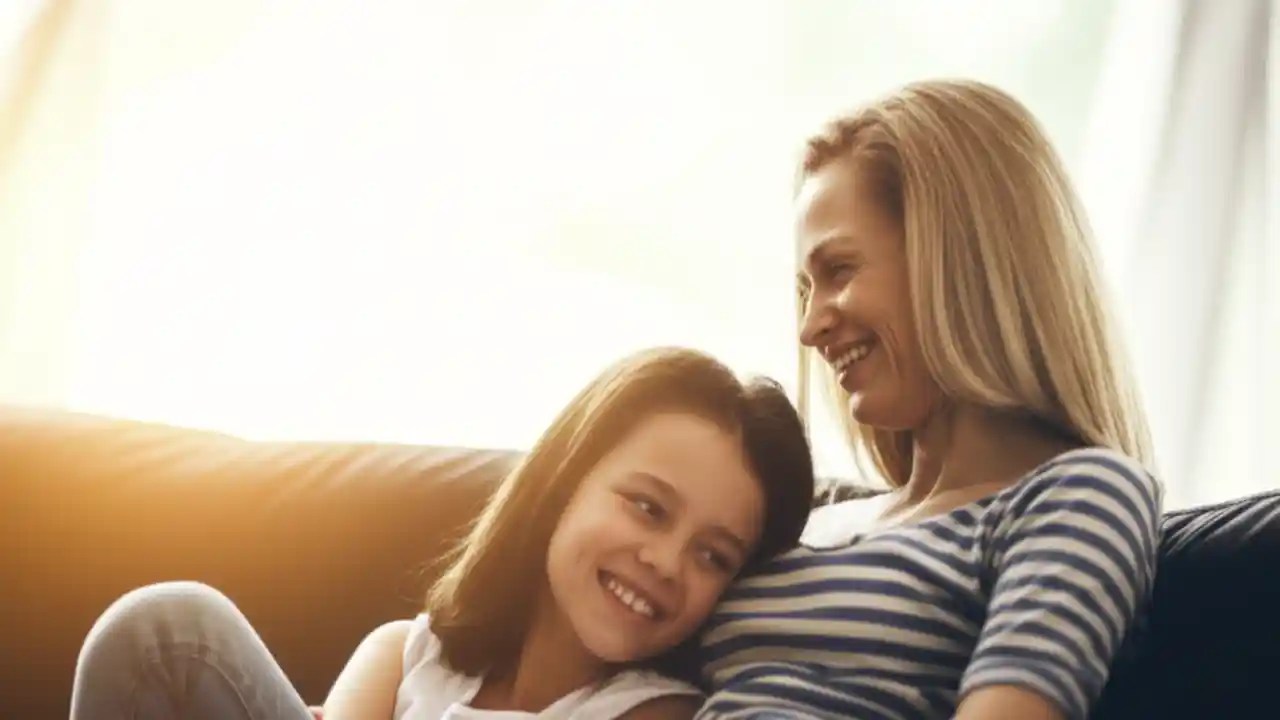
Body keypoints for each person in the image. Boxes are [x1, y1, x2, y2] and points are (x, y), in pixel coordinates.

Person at [696, 79, 1163, 720]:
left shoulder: (1078, 496)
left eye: (839, 271)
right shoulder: (805, 511)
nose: (808, 328)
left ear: (958, 258)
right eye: (807, 288)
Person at [69, 347, 816, 720]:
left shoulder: (659, 712)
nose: (664, 560)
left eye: (713, 556)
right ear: (564, 483)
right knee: (166, 630)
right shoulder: (404, 655)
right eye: (648, 508)